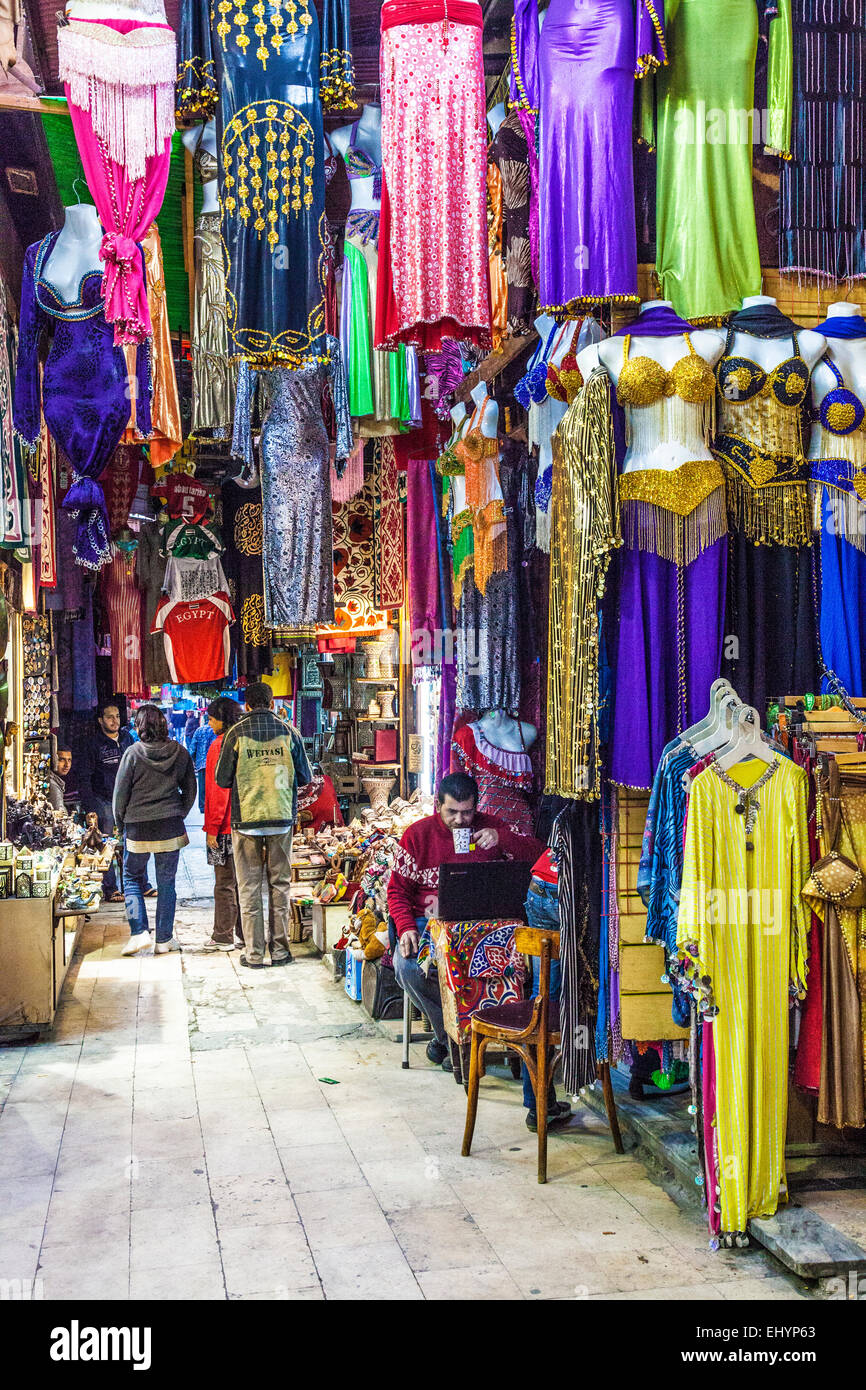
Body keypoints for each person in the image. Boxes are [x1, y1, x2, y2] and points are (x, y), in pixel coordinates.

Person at [386, 772, 544, 1071]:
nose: (460, 821)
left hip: (486, 927)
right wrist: (406, 926)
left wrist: (504, 839)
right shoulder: (417, 836)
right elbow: (397, 890)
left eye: (467, 813)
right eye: (452, 813)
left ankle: (482, 1037)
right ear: (437, 806)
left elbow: (539, 856)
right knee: (408, 968)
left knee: (524, 968)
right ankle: (454, 1039)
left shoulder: (493, 828)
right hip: (428, 924)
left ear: (477, 807)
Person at [215, 680, 311, 969]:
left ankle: (255, 954)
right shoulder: (289, 732)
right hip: (281, 819)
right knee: (280, 886)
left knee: (249, 887)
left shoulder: (235, 734)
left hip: (246, 820)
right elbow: (305, 777)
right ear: (271, 704)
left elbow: (222, 779)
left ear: (246, 705)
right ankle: (281, 951)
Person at [113, 704, 196, 956]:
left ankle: (138, 933)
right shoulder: (180, 752)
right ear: (163, 724)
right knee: (167, 883)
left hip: (138, 826)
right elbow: (191, 790)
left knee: (131, 879)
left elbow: (120, 795)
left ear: (140, 726)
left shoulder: (132, 753)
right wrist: (179, 811)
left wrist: (121, 825)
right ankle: (164, 939)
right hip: (170, 824)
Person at [521, 849, 572, 1133]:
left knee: (544, 998)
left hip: (541, 881)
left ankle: (539, 1106)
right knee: (581, 994)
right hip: (567, 885)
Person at [79, 700, 135, 902]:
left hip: (128, 801)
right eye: (110, 717)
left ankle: (138, 884)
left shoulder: (128, 739)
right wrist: (91, 807)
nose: (115, 721)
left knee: (134, 841)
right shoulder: (93, 744)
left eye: (117, 716)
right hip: (104, 801)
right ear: (100, 720)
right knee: (107, 844)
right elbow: (85, 778)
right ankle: (110, 888)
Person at [202, 695, 244, 951]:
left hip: (225, 827)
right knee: (240, 883)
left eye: (212, 718)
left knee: (224, 883)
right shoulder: (242, 740)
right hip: (242, 824)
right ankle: (242, 933)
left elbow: (218, 790)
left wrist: (212, 828)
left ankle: (223, 935)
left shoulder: (220, 745)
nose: (209, 723)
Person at [189, 716, 216, 813]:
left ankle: (202, 806)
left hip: (201, 763)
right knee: (213, 785)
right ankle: (212, 806)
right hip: (214, 762)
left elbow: (192, 748)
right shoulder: (215, 731)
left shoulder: (199, 730)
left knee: (202, 786)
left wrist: (193, 760)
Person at [47, 746, 72, 812]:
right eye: (62, 760)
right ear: (53, 760)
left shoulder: (54, 781)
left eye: (69, 760)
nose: (67, 765)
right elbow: (60, 814)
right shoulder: (52, 784)